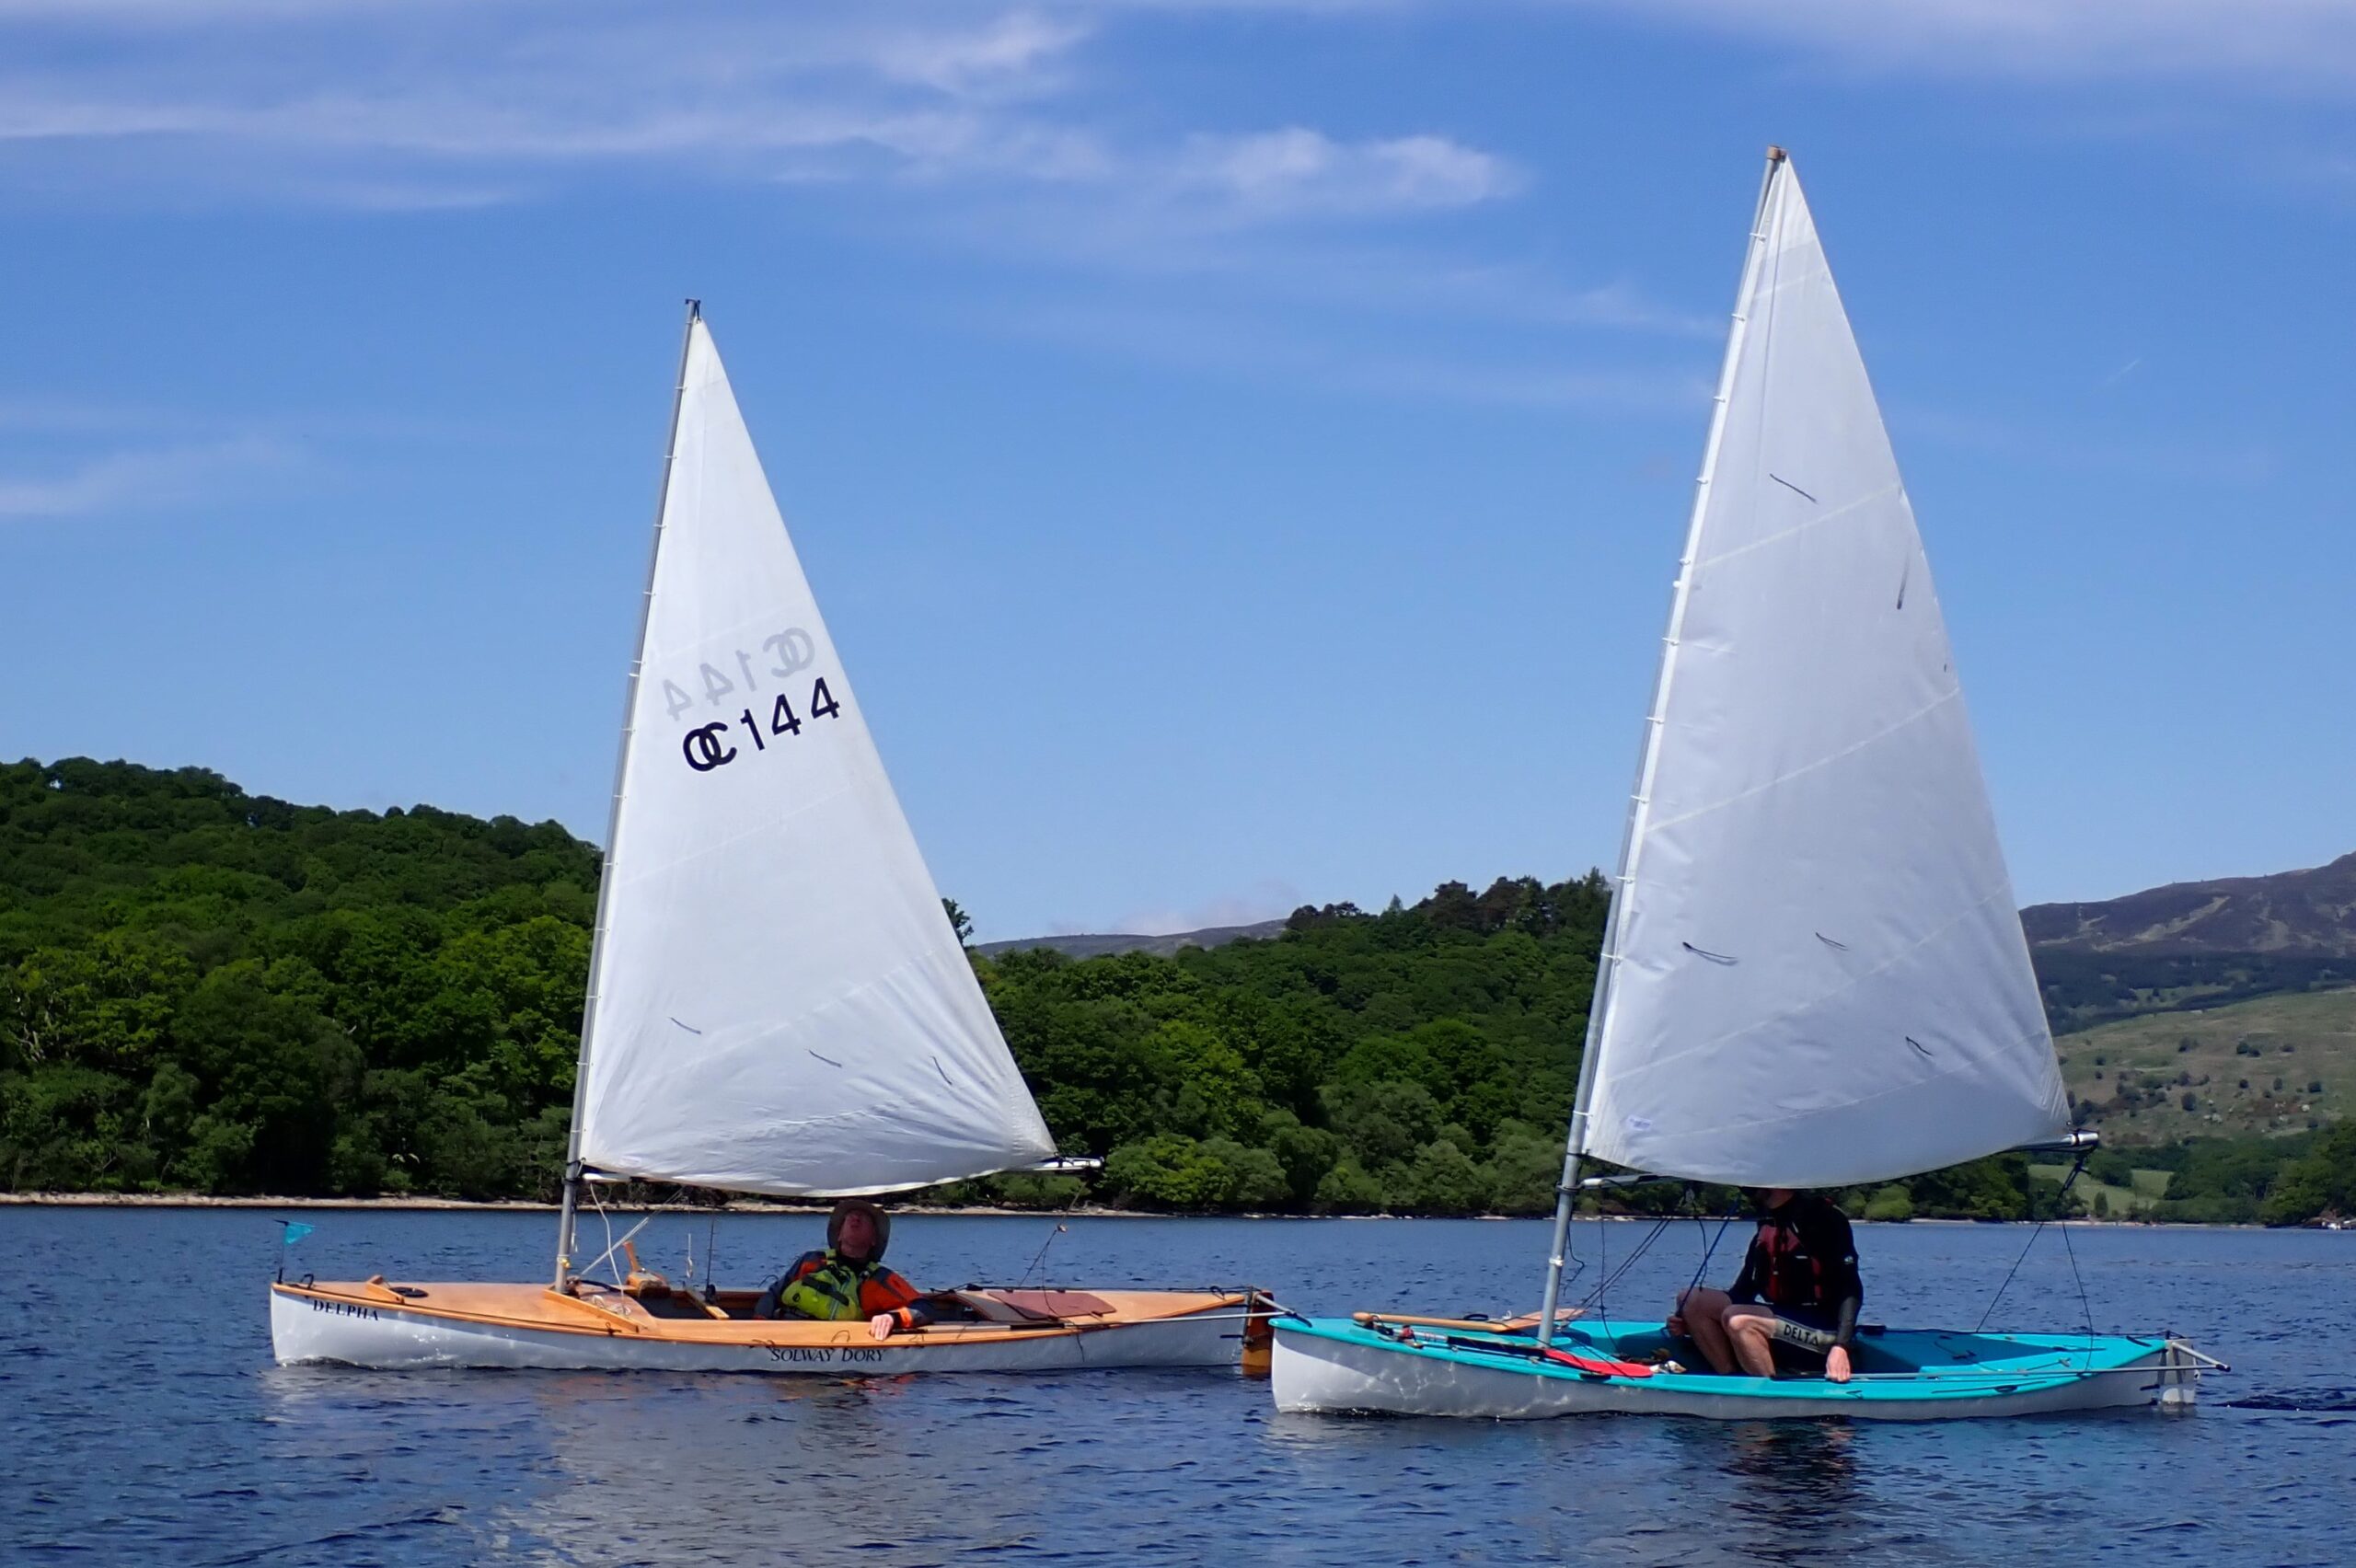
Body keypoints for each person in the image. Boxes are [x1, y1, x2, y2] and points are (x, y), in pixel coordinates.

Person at [1667, 1188, 1861, 1382]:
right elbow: (1743, 1291)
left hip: (1824, 1331)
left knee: (1739, 1319)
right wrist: (1693, 1324)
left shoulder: (1822, 1219)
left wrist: (1841, 1346)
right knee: (1691, 1300)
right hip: (1782, 1319)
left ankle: (1770, 1393)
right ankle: (1730, 1381)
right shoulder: (1769, 1222)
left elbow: (1851, 1287)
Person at [755, 1198, 936, 1340]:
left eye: (863, 1218)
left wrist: (892, 1318)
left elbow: (924, 1308)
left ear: (874, 1239)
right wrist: (760, 1324)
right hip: (786, 1336)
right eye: (850, 1217)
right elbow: (774, 1294)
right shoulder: (811, 1261)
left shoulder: (880, 1279)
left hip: (837, 1351)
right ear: (839, 1234)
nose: (855, 1219)